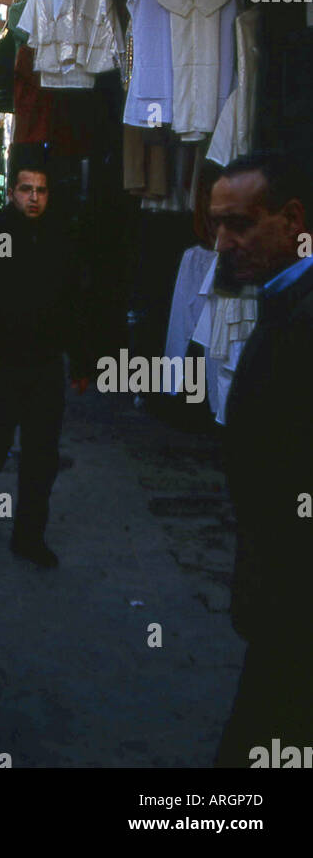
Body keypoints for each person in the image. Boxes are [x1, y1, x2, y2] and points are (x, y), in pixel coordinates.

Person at [208, 152, 313, 767]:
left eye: (241, 224)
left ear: (293, 219)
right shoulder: (283, 304)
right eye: (217, 224)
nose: (223, 241)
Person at [0, 157, 88, 565]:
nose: (34, 198)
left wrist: (81, 362)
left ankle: (28, 536)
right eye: (26, 189)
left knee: (41, 455)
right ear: (12, 191)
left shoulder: (61, 237)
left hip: (45, 366)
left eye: (41, 190)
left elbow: (74, 304)